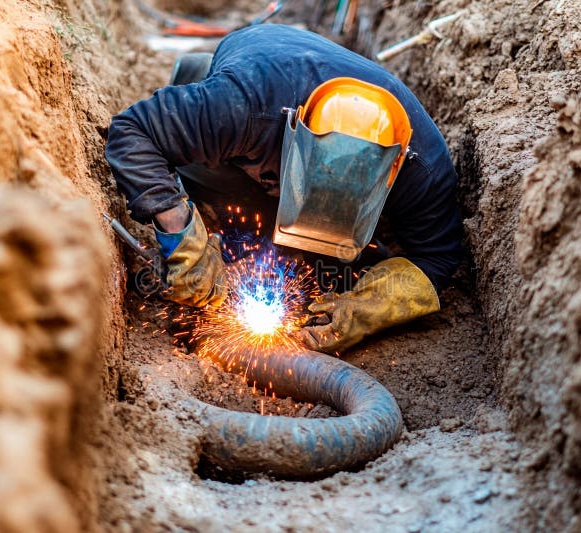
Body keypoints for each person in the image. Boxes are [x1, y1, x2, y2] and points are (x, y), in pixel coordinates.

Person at [105, 24, 463, 354]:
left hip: (283, 91)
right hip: (261, 67)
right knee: (221, 194)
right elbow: (132, 132)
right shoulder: (245, 107)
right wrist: (181, 236)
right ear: (294, 136)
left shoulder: (423, 170)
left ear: (391, 172)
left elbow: (438, 256)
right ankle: (196, 81)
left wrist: (364, 309)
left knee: (346, 265)